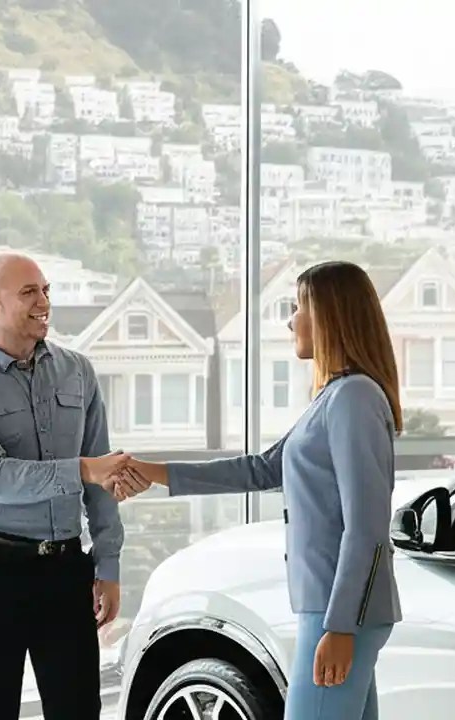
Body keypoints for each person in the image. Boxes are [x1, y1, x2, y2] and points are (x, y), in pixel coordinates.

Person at [117, 260, 403, 720]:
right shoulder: (336, 396)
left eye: (299, 306)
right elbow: (261, 469)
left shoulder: (353, 399)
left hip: (340, 609)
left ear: (331, 315)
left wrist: (340, 626)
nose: (291, 319)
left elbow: (366, 526)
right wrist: (155, 472)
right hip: (334, 607)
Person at [0, 252, 145, 720]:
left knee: (78, 710)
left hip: (66, 569)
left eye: (46, 290)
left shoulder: (78, 372)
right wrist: (84, 469)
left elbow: (103, 478)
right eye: (28, 292)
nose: (43, 302)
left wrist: (107, 563)